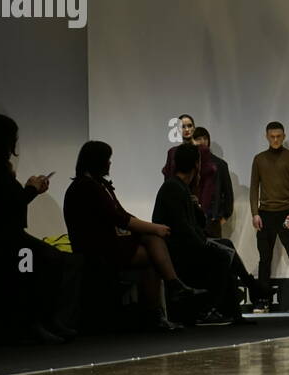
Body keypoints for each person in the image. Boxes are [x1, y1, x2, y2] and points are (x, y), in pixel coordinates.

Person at [0, 114, 73, 344]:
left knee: (48, 259)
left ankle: (43, 320)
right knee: (38, 262)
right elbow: (7, 204)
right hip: (1, 242)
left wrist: (29, 189)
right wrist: (30, 189)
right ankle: (33, 322)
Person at [64, 140, 206, 330]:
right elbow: (119, 218)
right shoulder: (86, 187)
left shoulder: (98, 185)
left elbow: (122, 215)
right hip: (97, 247)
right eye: (107, 159)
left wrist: (149, 227)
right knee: (153, 248)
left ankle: (167, 296)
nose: (110, 163)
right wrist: (153, 228)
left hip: (107, 241)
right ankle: (169, 293)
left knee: (152, 245)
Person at [152, 143, 236, 326]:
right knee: (223, 254)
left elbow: (196, 224)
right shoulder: (174, 187)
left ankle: (241, 299)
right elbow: (183, 228)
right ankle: (208, 309)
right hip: (179, 248)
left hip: (185, 243)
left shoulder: (181, 187)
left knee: (226, 246)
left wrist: (196, 205)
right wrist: (203, 244)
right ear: (197, 165)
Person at [249, 121, 289, 312]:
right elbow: (253, 187)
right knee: (264, 260)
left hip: (287, 213)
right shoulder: (259, 159)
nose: (275, 140)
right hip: (265, 214)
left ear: (283, 136)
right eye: (272, 136)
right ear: (267, 137)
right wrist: (255, 213)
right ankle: (262, 301)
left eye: (278, 136)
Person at [162, 113, 218, 228]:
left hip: (195, 205)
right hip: (176, 204)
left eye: (189, 125)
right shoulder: (172, 152)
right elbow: (167, 180)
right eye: (183, 126)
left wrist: (202, 207)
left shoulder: (202, 151)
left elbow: (208, 183)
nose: (187, 129)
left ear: (194, 127)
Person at [190, 127, 233, 239]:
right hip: (190, 218)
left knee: (213, 252)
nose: (202, 141)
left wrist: (224, 216)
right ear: (192, 141)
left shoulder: (220, 164)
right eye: (198, 138)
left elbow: (228, 193)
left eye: (205, 138)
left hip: (212, 218)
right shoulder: (188, 164)